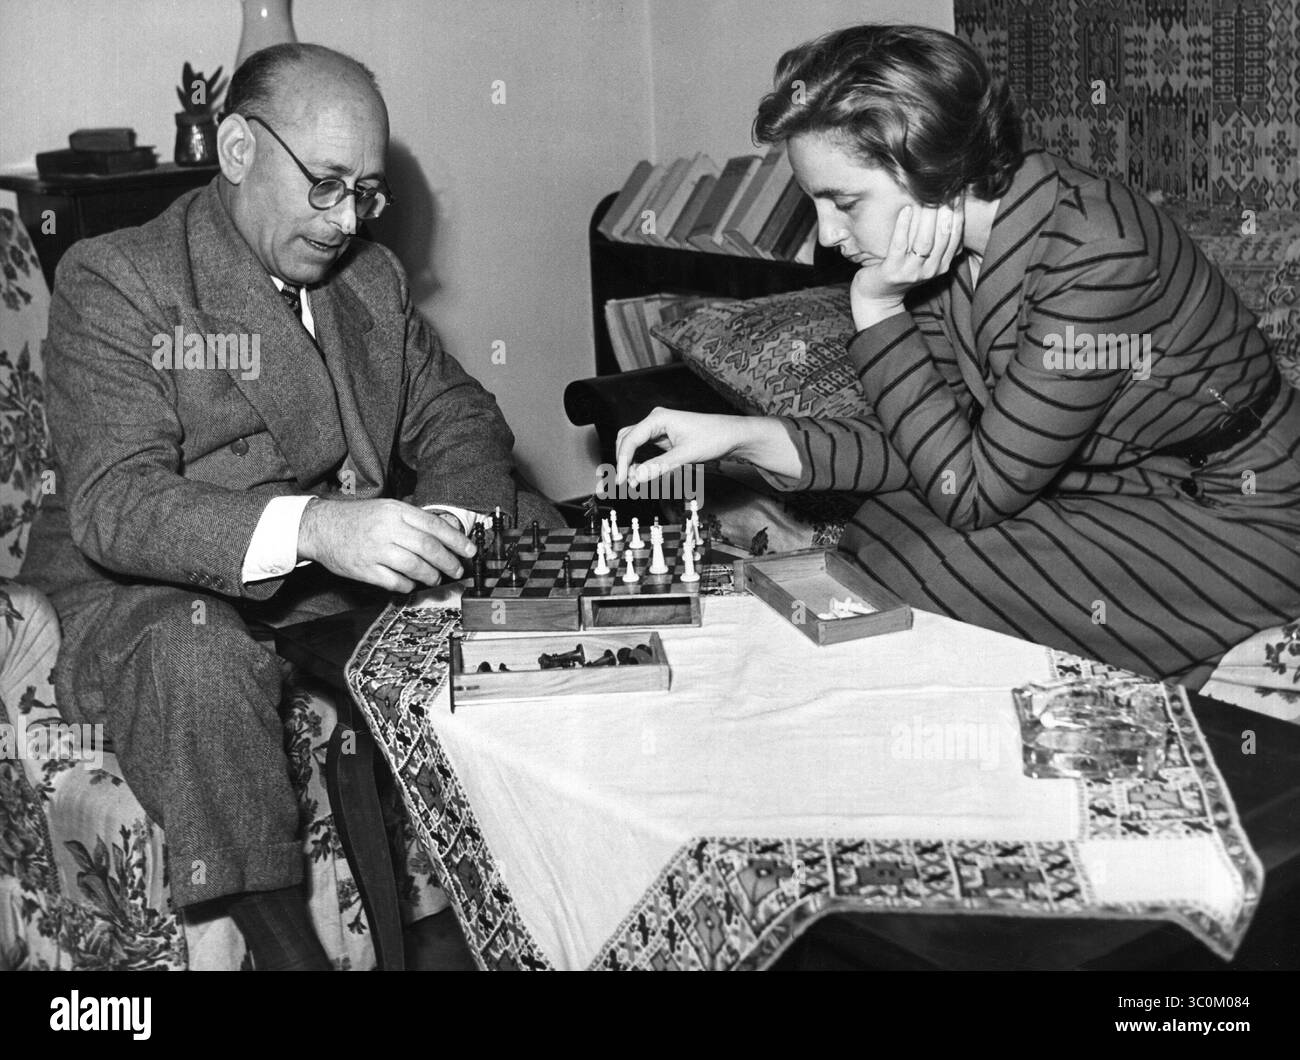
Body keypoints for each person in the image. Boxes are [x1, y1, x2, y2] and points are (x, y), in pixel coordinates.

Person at [21, 43, 559, 969]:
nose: (348, 219)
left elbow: (461, 417)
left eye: (368, 192)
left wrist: (458, 526)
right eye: (325, 184)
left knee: (538, 530)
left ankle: (548, 895)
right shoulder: (121, 280)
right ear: (236, 149)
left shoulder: (369, 281)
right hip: (144, 586)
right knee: (199, 655)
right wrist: (318, 525)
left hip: (314, 587)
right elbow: (119, 503)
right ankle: (288, 955)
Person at [616, 24, 1300, 690]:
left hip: (1243, 513)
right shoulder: (943, 253)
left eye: (844, 201)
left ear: (931, 167)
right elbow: (927, 450)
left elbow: (971, 496)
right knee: (878, 533)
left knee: (928, 564)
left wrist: (877, 309)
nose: (827, 235)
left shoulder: (1096, 250)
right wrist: (747, 437)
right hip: (1120, 487)